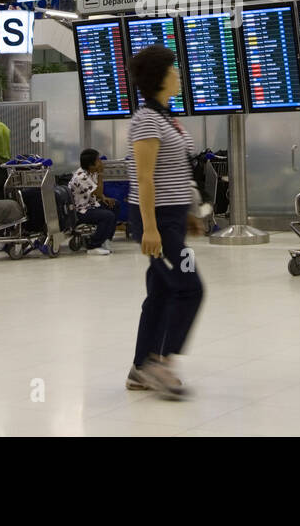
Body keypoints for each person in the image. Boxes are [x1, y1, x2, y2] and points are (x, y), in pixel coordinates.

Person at [126, 45, 204, 399]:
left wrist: (187, 210)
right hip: (157, 220)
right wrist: (151, 227)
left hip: (171, 216)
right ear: (159, 78)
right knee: (190, 287)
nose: (179, 75)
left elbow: (175, 170)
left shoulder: (167, 117)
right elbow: (144, 177)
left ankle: (141, 367)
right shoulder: (146, 119)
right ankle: (161, 362)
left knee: (159, 293)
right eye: (174, 70)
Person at [68, 148, 117, 255]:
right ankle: (93, 246)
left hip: (91, 205)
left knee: (115, 205)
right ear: (91, 165)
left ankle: (105, 239)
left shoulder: (90, 172)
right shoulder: (81, 177)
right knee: (108, 216)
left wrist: (104, 198)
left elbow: (96, 194)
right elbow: (97, 192)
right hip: (81, 211)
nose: (100, 163)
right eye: (98, 160)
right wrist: (100, 174)